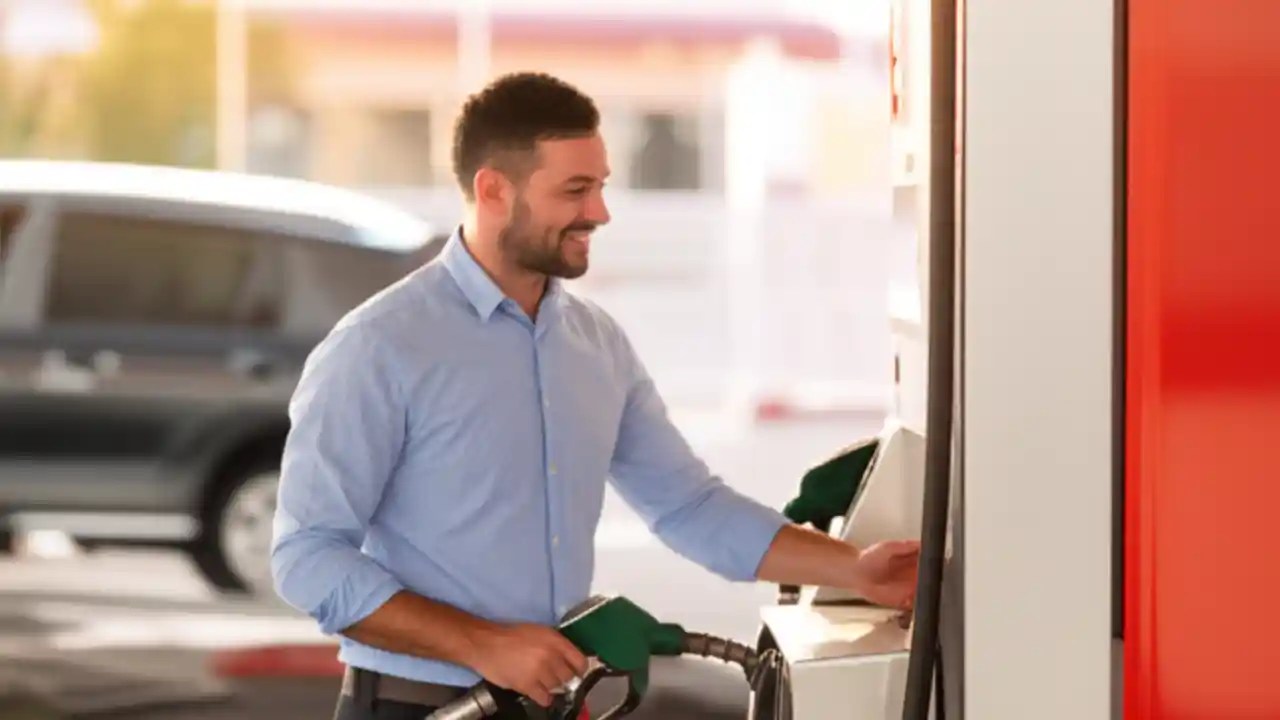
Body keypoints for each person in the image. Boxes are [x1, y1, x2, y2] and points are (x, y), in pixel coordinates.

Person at [271, 71, 920, 720]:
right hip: (419, 706)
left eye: (601, 186)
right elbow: (307, 557)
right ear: (493, 190)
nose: (600, 213)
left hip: (546, 703)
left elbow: (689, 506)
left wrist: (858, 570)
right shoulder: (379, 346)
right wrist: (483, 645)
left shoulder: (595, 345)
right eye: (575, 190)